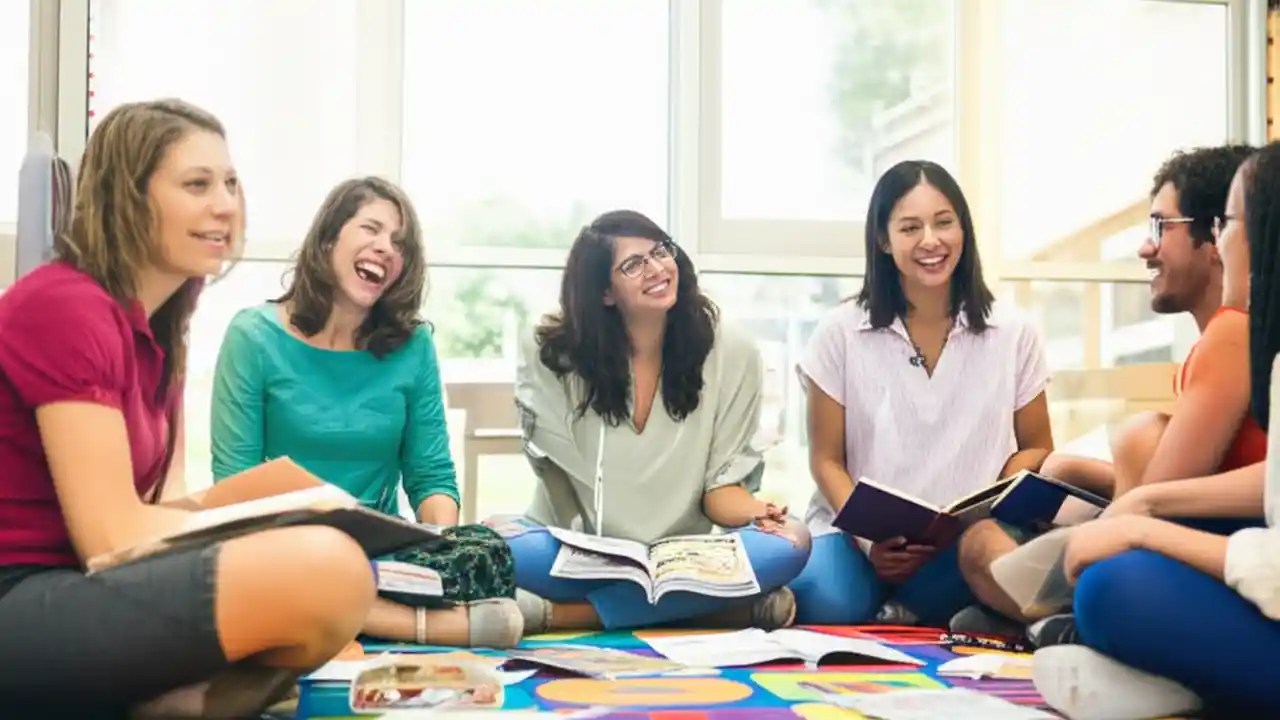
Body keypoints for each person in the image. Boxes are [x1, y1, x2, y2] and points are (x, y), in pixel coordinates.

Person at [0, 99, 376, 718]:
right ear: (130, 196)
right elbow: (111, 535)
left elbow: (153, 510)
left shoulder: (161, 321)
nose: (226, 204)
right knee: (326, 570)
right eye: (197, 184)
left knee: (332, 563)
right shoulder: (66, 305)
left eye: (230, 183)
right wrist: (272, 520)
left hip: (76, 586)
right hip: (22, 594)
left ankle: (164, 703)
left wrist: (276, 506)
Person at [958, 145, 1262, 633]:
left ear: (1215, 235)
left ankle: (1059, 624)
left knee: (981, 545)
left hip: (1213, 552)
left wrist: (1112, 492)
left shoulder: (1231, 333)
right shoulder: (1231, 337)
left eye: (1161, 226)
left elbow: (1154, 500)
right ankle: (1046, 621)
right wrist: (1083, 473)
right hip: (1209, 536)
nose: (1146, 247)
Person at [210, 177, 521, 648]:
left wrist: (445, 550)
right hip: (280, 551)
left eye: (399, 243)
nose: (386, 248)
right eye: (371, 229)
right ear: (330, 236)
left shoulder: (413, 347)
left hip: (381, 560)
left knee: (507, 548)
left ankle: (356, 615)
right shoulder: (252, 337)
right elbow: (235, 485)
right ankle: (428, 626)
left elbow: (431, 475)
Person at [1033, 143, 1280, 720]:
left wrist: (1144, 528)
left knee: (1111, 587)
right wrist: (1142, 501)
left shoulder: (1231, 337)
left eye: (1228, 222)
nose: (1222, 241)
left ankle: (1177, 682)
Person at [502, 209, 812, 632]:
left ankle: (565, 616)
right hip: (587, 553)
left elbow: (720, 490)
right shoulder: (555, 356)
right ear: (605, 292)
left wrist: (760, 512)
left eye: (661, 251)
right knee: (495, 544)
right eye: (632, 265)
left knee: (791, 542)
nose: (656, 269)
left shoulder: (732, 351)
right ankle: (724, 610)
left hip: (686, 559)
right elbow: (561, 489)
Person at [786, 160, 1054, 628]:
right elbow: (826, 459)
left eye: (944, 222)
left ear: (963, 230)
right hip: (853, 534)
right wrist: (871, 544)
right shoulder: (840, 331)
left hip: (960, 538)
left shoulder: (1014, 332)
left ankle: (925, 606)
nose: (931, 240)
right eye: (910, 228)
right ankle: (926, 609)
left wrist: (999, 492)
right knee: (831, 604)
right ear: (883, 241)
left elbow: (1037, 446)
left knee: (984, 558)